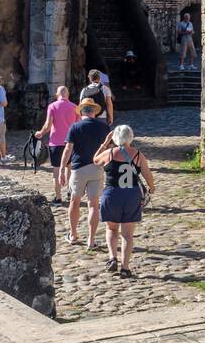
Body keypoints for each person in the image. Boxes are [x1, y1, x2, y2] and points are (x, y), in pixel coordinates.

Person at [94, 124, 155, 277]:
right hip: (131, 195)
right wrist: (151, 188)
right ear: (130, 136)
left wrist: (104, 143)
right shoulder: (137, 155)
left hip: (112, 194)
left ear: (115, 137)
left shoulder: (109, 153)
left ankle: (112, 257)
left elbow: (95, 160)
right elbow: (147, 175)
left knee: (111, 229)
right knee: (127, 234)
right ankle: (125, 267)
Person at [60, 98, 110, 248]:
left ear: (82, 111)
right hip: (97, 168)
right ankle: (91, 240)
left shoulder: (75, 127)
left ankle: (74, 234)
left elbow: (68, 149)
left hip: (78, 169)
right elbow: (109, 149)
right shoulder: (103, 127)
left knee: (74, 202)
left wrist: (62, 168)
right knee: (94, 205)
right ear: (94, 111)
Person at [34, 86, 78, 204]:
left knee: (57, 171)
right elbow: (78, 126)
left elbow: (48, 125)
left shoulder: (52, 106)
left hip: (56, 143)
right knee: (70, 169)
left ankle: (58, 198)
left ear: (57, 94)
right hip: (71, 143)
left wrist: (40, 133)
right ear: (67, 94)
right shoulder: (75, 107)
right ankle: (70, 193)